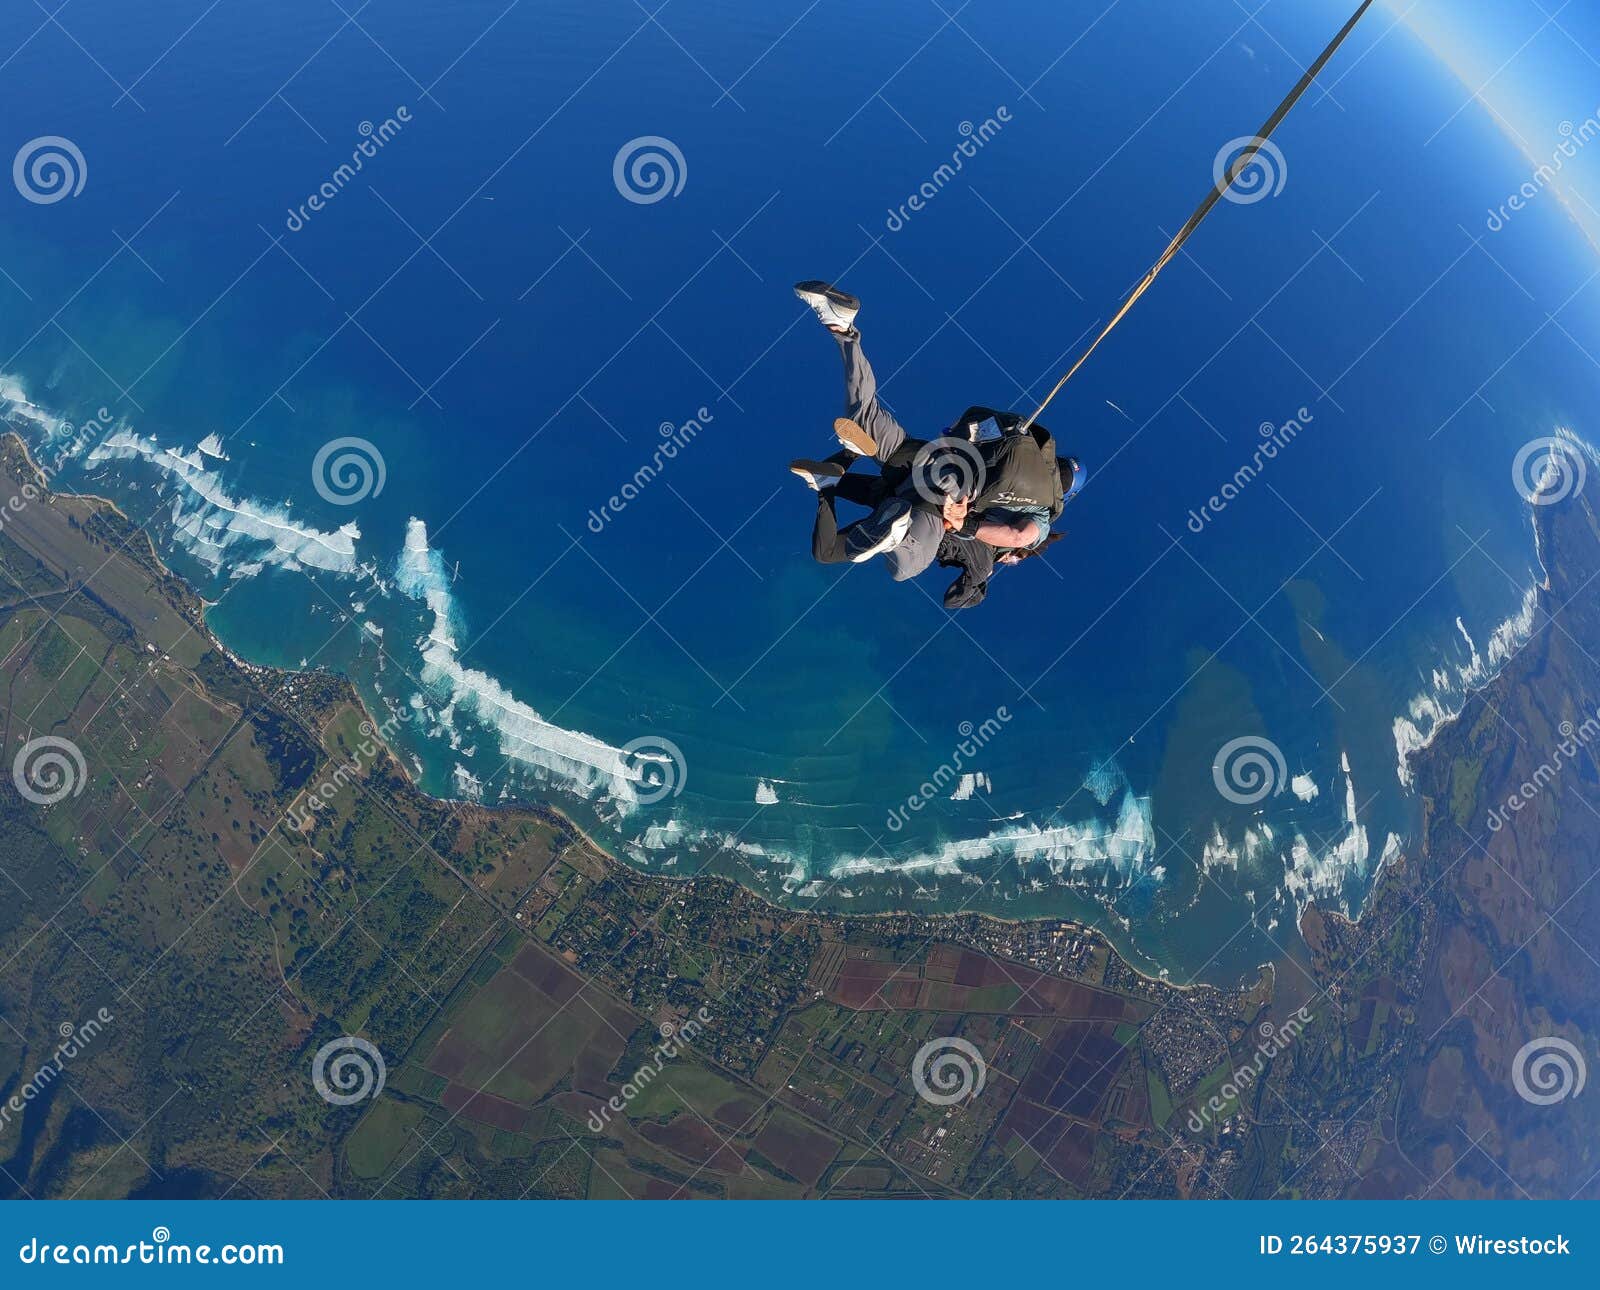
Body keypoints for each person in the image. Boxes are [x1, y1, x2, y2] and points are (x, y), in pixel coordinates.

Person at [789, 280, 1084, 603]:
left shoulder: (1017, 460)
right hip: (946, 493)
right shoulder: (1042, 513)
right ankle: (890, 533)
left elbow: (962, 430)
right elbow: (1019, 536)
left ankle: (843, 328)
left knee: (863, 415)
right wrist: (967, 525)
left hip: (929, 461)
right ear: (1063, 494)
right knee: (904, 569)